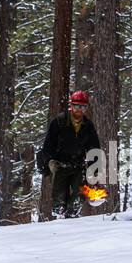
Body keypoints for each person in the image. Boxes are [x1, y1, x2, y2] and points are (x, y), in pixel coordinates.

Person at [37, 90, 101, 218]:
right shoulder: (59, 122)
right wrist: (50, 161)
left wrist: (94, 171)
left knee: (81, 194)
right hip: (60, 166)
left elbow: (95, 150)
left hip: (79, 166)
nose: (79, 109)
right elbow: (48, 145)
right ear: (71, 106)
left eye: (83, 107)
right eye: (77, 106)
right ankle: (59, 220)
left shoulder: (88, 126)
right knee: (59, 200)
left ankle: (71, 218)